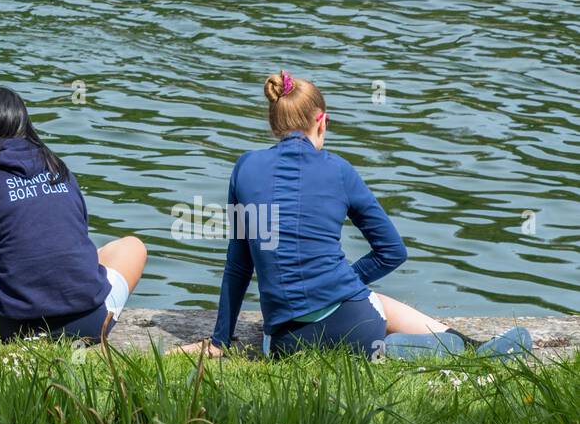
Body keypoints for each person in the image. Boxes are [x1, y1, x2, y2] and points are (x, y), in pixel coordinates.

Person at [179, 71, 530, 360]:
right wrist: (344, 279)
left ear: (274, 127)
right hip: (358, 328)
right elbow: (392, 251)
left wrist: (219, 341)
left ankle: (459, 349)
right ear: (323, 121)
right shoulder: (340, 170)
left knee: (350, 296)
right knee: (373, 301)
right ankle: (464, 348)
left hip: (284, 345)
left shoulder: (245, 168)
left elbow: (239, 265)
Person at [0, 86, 148, 341]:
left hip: (13, 330)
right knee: (132, 246)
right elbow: (80, 229)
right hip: (92, 324)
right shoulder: (56, 164)